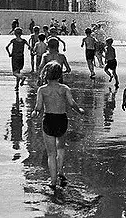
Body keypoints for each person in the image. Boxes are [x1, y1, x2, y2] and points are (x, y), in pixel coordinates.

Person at [31, 61, 84, 190]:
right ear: (60, 75)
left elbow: (38, 107)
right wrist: (80, 110)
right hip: (61, 119)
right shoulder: (64, 88)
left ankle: (53, 181)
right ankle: (60, 171)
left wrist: (34, 113)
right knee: (60, 146)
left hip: (49, 119)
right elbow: (72, 103)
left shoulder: (42, 90)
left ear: (45, 74)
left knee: (51, 153)